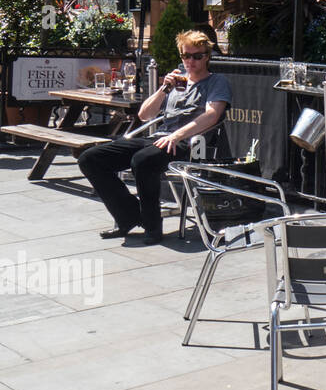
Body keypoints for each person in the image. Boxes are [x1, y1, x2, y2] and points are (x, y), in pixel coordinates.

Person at [79, 30, 232, 245]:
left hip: (190, 143)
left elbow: (212, 115)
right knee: (90, 158)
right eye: (186, 56)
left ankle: (152, 226)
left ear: (207, 56)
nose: (191, 61)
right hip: (160, 138)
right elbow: (144, 115)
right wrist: (163, 89)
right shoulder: (177, 81)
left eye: (197, 56)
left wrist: (177, 136)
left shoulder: (216, 81)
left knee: (142, 161)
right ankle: (128, 216)